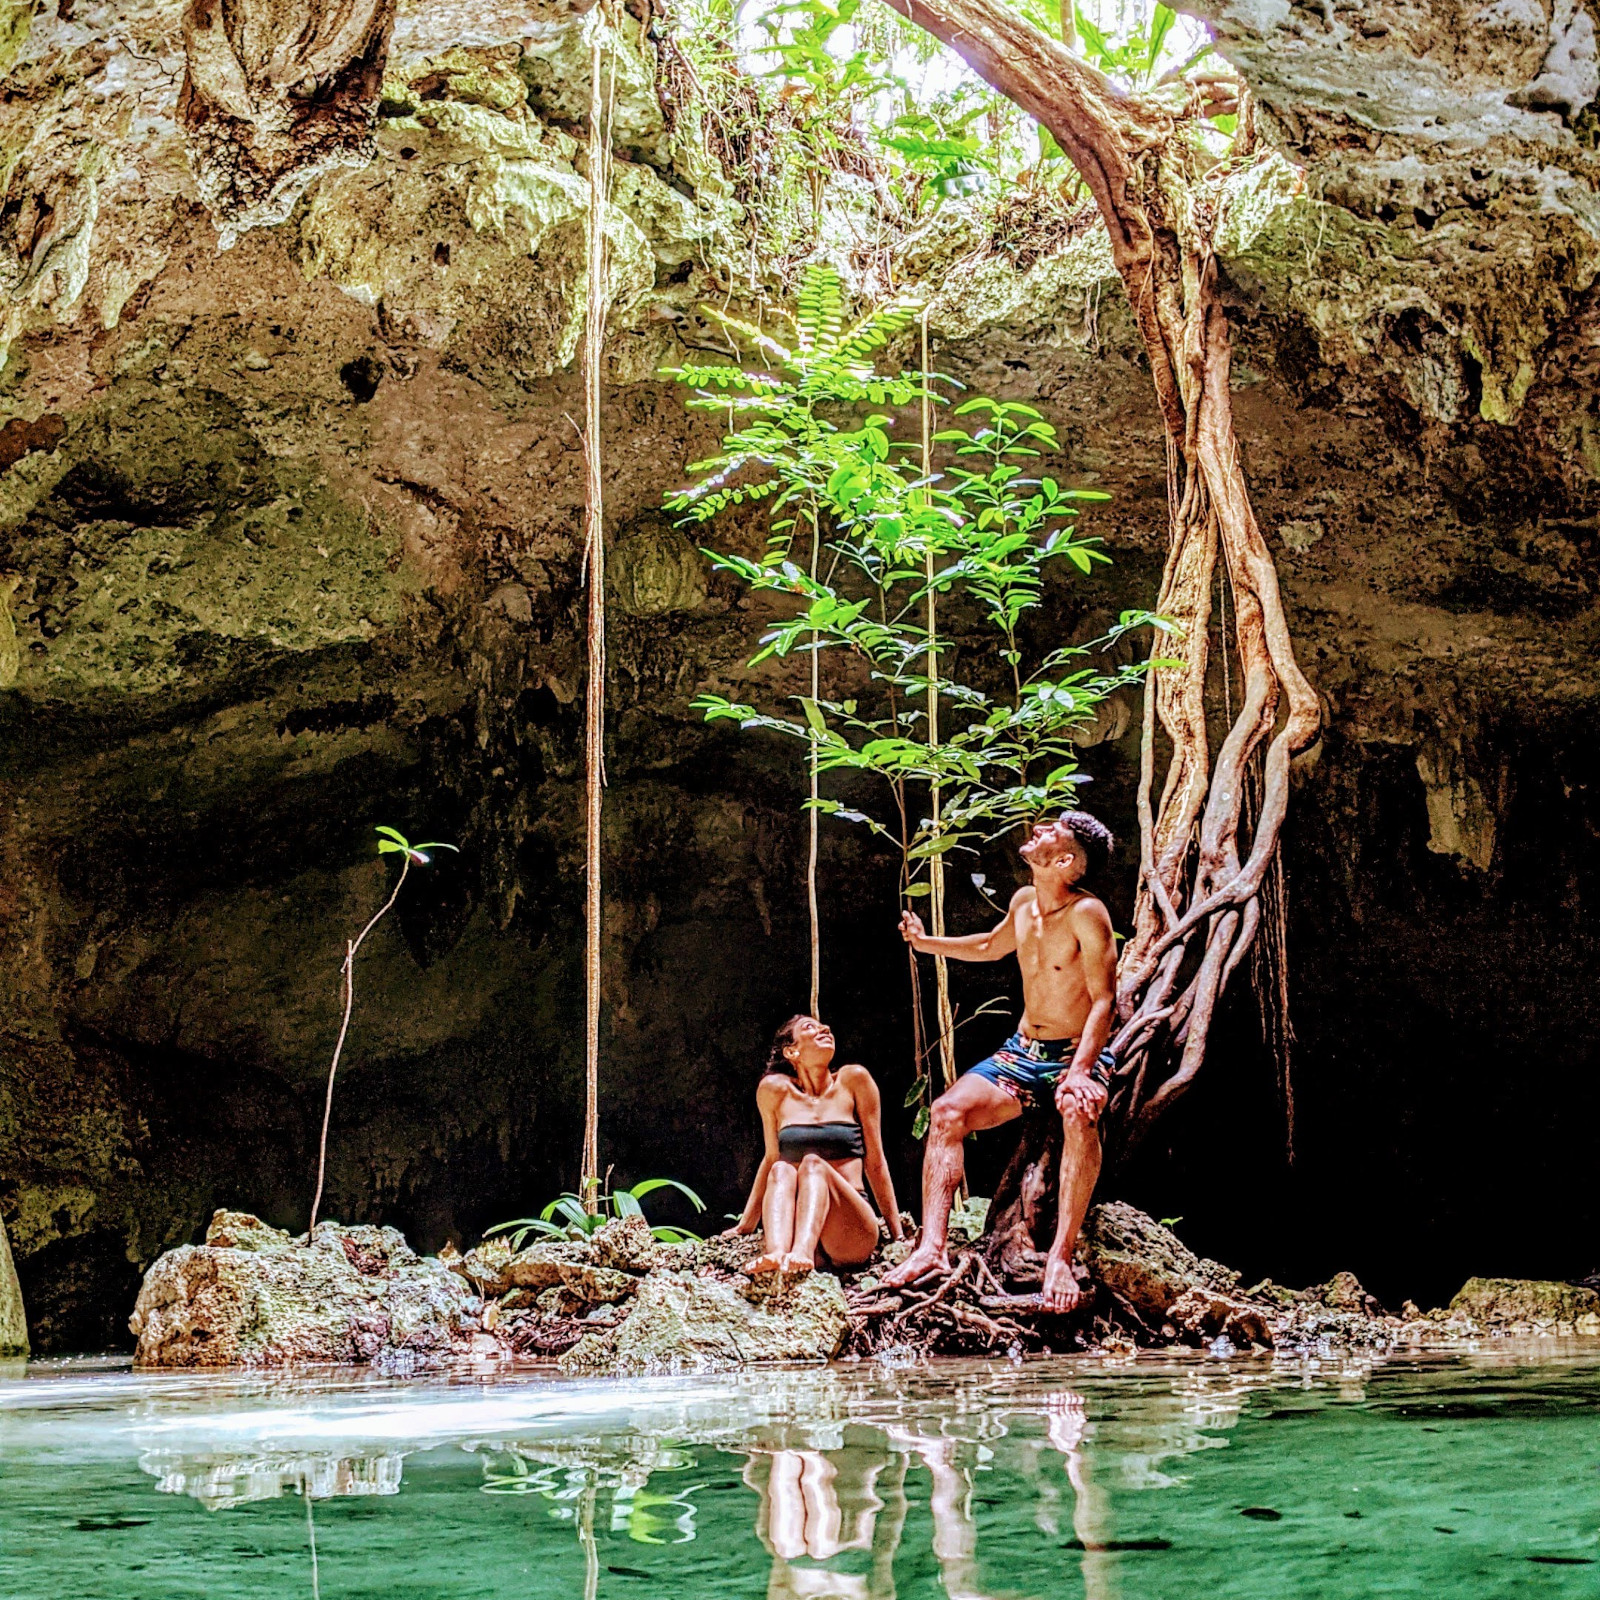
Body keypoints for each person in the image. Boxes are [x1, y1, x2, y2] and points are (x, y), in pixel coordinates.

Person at [885, 810, 1118, 1312]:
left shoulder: (1087, 913)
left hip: (1073, 1051)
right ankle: (932, 1249)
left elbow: (1105, 1000)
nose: (1038, 830)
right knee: (947, 1114)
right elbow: (992, 945)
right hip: (1022, 1051)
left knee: (1079, 1114)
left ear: (1065, 860)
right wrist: (927, 944)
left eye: (1051, 832)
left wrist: (1080, 1070)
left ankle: (1060, 1255)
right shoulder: (1024, 902)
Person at [726, 1015, 904, 1274]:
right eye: (810, 1027)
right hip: (798, 1223)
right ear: (792, 1051)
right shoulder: (774, 1091)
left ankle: (801, 1254)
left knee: (812, 1164)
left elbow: (875, 1162)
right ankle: (777, 1252)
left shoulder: (854, 1080)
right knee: (782, 1169)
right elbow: (771, 1158)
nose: (825, 1029)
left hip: (850, 1230)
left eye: (824, 1026)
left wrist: (897, 1235)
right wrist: (746, 1225)